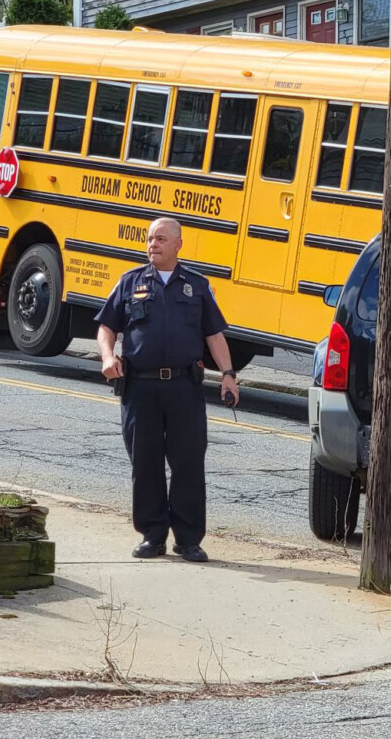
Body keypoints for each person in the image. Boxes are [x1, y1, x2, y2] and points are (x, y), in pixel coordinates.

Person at [96, 216, 240, 562]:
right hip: (140, 388)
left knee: (188, 462)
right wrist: (106, 356)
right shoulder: (130, 282)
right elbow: (106, 326)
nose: (152, 245)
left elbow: (214, 334)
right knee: (144, 463)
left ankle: (188, 539)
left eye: (160, 239)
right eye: (149, 239)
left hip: (183, 387)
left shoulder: (197, 285)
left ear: (178, 244)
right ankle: (152, 535)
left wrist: (228, 374)